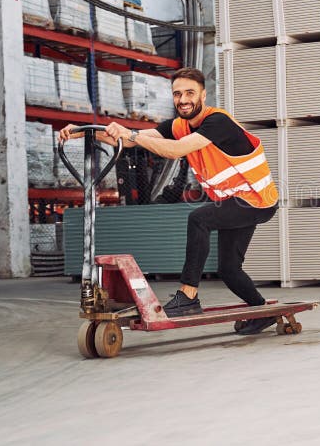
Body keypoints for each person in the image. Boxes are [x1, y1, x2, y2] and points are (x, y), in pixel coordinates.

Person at [59, 68, 279, 335]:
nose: (183, 99)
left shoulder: (217, 122)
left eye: (190, 93)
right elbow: (130, 141)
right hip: (233, 201)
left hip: (256, 200)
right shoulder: (179, 125)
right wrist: (80, 132)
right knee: (229, 270)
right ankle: (263, 310)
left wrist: (130, 135)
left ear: (203, 95)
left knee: (199, 218)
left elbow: (174, 150)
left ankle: (188, 296)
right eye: (177, 94)